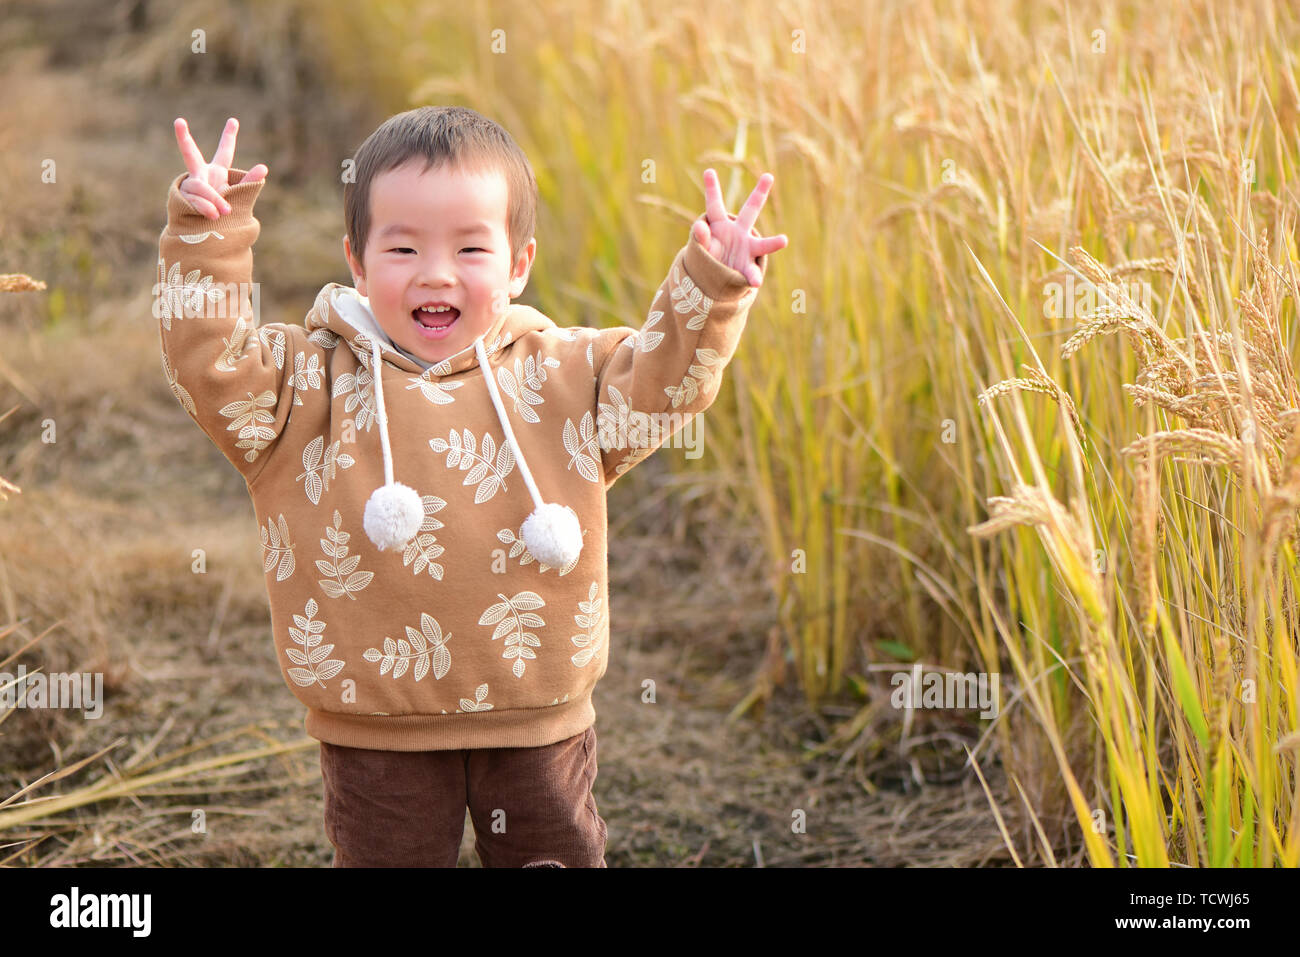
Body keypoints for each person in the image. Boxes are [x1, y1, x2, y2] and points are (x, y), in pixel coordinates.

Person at [157, 106, 787, 867]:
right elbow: (211, 370)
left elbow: (662, 385)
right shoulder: (304, 386)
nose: (436, 271)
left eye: (469, 246)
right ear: (356, 260)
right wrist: (206, 240)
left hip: (538, 720)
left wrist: (710, 286)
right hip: (373, 728)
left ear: (519, 263)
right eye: (403, 246)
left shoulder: (564, 375)